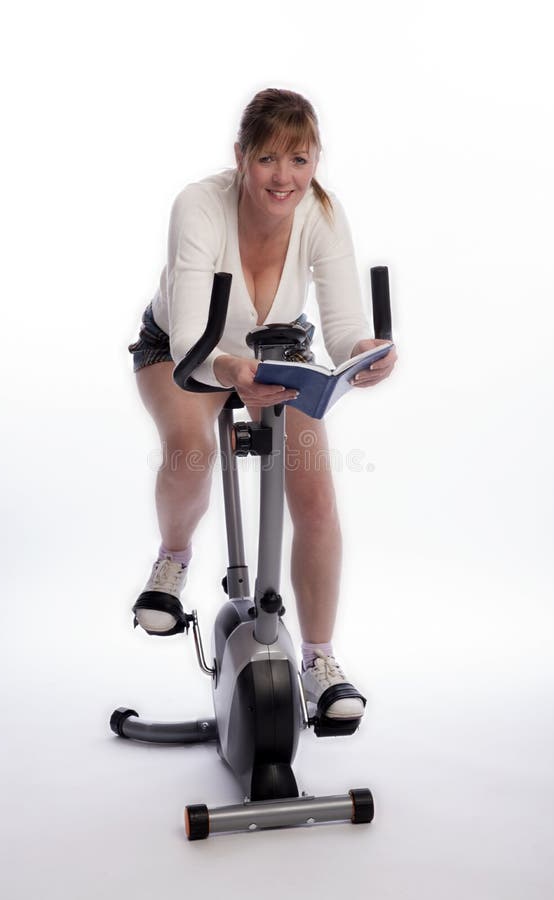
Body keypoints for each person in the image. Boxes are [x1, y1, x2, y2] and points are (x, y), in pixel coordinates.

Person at [127, 88, 397, 720]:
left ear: (315, 161)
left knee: (315, 496)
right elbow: (191, 338)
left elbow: (342, 330)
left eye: (299, 160)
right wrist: (227, 371)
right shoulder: (199, 204)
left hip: (276, 345)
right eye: (269, 159)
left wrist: (365, 351)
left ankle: (319, 663)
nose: (284, 178)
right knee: (192, 450)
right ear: (241, 157)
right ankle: (173, 559)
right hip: (184, 347)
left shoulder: (322, 213)